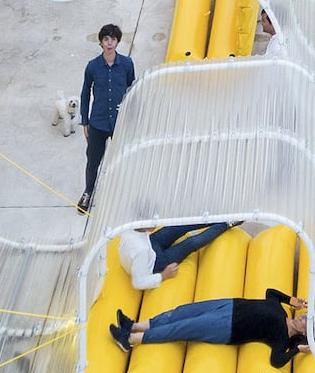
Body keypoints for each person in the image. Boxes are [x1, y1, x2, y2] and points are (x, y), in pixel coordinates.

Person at [111, 289, 311, 368]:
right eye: (304, 316)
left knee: (181, 328)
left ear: (303, 333)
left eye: (305, 322)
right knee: (182, 312)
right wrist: (290, 300)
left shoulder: (282, 338)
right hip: (228, 305)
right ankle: (135, 326)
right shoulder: (281, 311)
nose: (302, 318)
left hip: (227, 327)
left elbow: (276, 361)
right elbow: (271, 293)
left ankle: (129, 340)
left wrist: (297, 350)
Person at [78, 23, 135, 214]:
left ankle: (126, 195)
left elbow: (131, 90)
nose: (109, 43)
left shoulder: (127, 64)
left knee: (124, 159)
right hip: (98, 123)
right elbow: (85, 92)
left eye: (113, 39)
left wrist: (132, 118)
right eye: (106, 39)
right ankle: (88, 192)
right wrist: (85, 120)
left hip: (120, 122)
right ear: (101, 42)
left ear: (118, 41)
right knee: (93, 161)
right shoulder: (93, 66)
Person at [119, 222, 233, 290]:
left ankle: (215, 218)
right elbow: (139, 282)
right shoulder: (140, 251)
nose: (156, 222)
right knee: (192, 243)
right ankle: (227, 223)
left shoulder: (130, 229)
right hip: (157, 263)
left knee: (179, 226)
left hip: (151, 243)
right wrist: (163, 275)